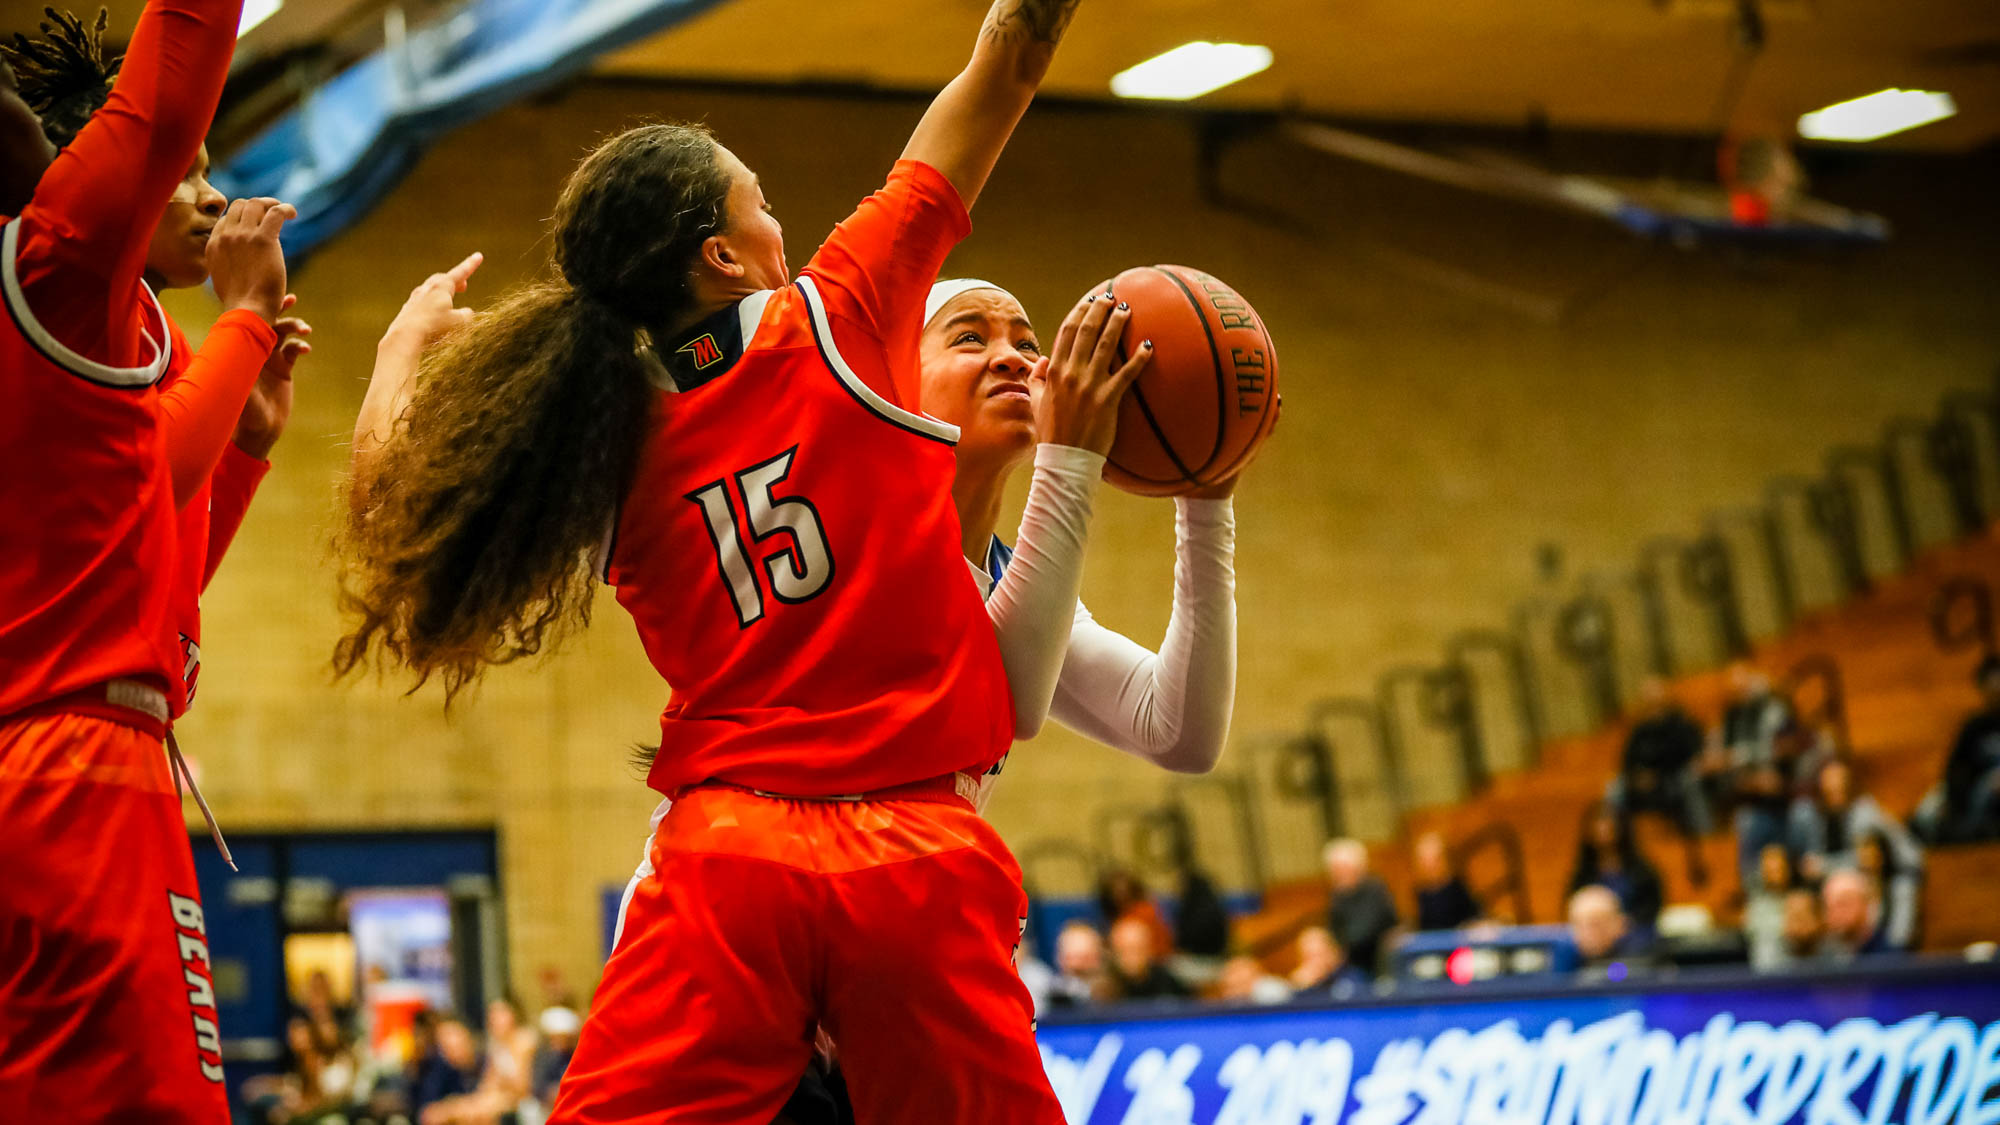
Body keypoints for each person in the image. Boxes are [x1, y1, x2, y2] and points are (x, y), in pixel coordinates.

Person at [337, 2, 1094, 1119]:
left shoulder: (597, 441)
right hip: (914, 845)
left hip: (729, 855)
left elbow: (389, 498)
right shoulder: (839, 313)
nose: (783, 226)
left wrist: (401, 349)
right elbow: (1008, 61)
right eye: (763, 206)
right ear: (724, 254)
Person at [0, 2, 292, 1119]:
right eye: (185, 172)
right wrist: (247, 320)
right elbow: (168, 85)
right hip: (74, 769)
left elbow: (145, 548)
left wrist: (250, 446)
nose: (207, 190)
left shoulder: (115, 336)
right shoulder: (54, 270)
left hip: (64, 741)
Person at [1788, 759, 1923, 948]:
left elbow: (1868, 856)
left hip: (1895, 872)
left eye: (1839, 788)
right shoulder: (1823, 817)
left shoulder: (1865, 814)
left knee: (1896, 894)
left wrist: (1824, 865)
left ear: (1849, 786)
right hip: (1857, 877)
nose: (1835, 795)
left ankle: (1893, 950)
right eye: (1829, 790)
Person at [1716, 665, 1795, 886]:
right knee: (1746, 821)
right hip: (1751, 799)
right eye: (1735, 691)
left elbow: (1785, 751)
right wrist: (1750, 779)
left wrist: (1743, 760)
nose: (1741, 695)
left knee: (1801, 816)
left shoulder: (1775, 712)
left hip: (1787, 795)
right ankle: (1751, 888)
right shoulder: (1732, 717)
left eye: (1744, 688)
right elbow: (1726, 758)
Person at [1610, 677, 1712, 837]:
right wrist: (1636, 776)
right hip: (1643, 785)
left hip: (1674, 777)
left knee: (1689, 779)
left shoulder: (1682, 723)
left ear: (1666, 697)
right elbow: (1627, 761)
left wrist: (1660, 774)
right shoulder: (1639, 730)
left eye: (1656, 697)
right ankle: (1620, 839)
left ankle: (1704, 833)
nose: (1653, 702)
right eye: (1648, 698)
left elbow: (1694, 754)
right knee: (1614, 789)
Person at [1925, 654, 2000, 843]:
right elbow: (1954, 768)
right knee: (1929, 810)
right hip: (1981, 798)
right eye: (1991, 688)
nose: (1996, 691)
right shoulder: (1974, 727)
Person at [1568, 800, 1665, 935]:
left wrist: (1625, 923)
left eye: (1608, 823)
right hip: (1595, 935)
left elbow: (1651, 907)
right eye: (1598, 824)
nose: (1603, 830)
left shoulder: (1642, 871)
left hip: (1635, 932)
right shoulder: (1584, 873)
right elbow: (1573, 905)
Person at [1322, 838, 1399, 977]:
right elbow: (1333, 929)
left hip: (1378, 960)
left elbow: (1365, 931)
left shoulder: (1374, 889)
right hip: (1353, 962)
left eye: (1340, 869)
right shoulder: (1337, 895)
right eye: (1333, 870)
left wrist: (1338, 950)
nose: (1335, 874)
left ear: (1356, 867)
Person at [1566, 885, 1654, 979]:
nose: (1587, 933)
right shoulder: (1565, 965)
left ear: (1620, 923)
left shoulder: (1642, 966)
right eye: (1579, 925)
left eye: (1595, 924)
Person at [1106, 916, 1191, 1002]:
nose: (1132, 958)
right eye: (1124, 951)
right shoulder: (1105, 989)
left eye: (1138, 950)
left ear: (1149, 950)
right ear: (1113, 952)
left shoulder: (1166, 983)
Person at [1410, 830, 1481, 931]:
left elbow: (1474, 918)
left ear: (1443, 860)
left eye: (1433, 861)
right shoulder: (1420, 893)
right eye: (1424, 861)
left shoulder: (1458, 889)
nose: (1430, 867)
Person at [1742, 843, 1796, 971]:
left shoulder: (1798, 902)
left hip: (1795, 972)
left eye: (1778, 869)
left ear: (1788, 868)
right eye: (1769, 870)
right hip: (1763, 974)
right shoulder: (1755, 907)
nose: (1774, 875)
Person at [1818, 867, 1890, 961]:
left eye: (1842, 904)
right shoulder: (1822, 959)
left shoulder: (1890, 960)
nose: (1834, 913)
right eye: (1829, 907)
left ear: (1866, 904)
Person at [1287, 925, 1368, 1001]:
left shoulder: (1353, 977)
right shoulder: (1301, 984)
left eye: (1319, 955)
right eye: (1309, 957)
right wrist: (1299, 988)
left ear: (1334, 953)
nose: (1316, 962)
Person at [1047, 920, 1108, 1009]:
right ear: (1059, 958)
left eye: (1085, 958)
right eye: (1071, 958)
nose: (1077, 965)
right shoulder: (1046, 998)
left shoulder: (1117, 994)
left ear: (1098, 958)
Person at [1214, 955, 1291, 1006]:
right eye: (1230, 987)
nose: (1231, 992)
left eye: (1242, 983)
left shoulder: (1270, 988)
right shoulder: (1231, 1001)